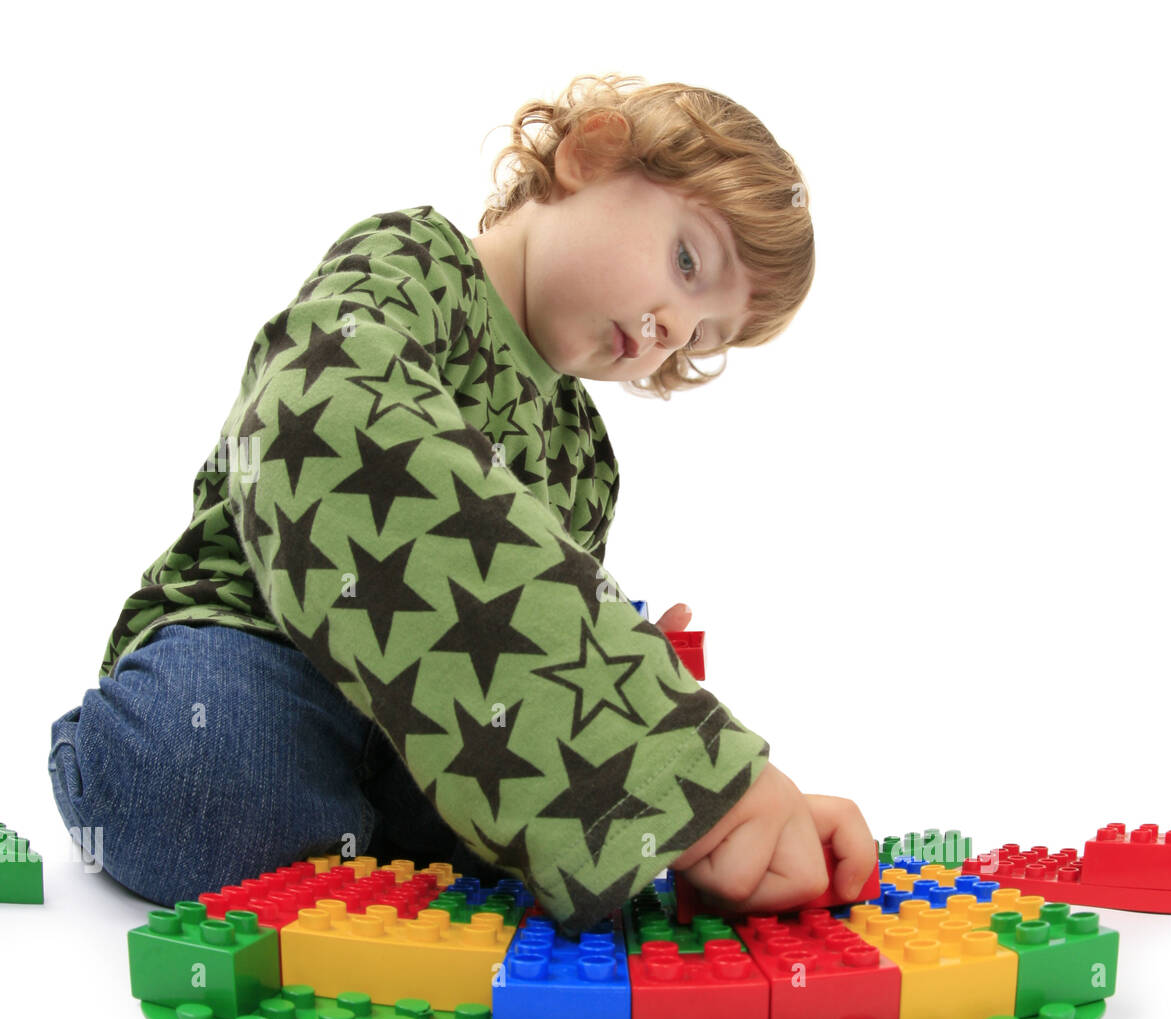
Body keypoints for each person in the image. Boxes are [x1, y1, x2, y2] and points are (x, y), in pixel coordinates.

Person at [47, 73, 876, 934]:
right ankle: (106, 753)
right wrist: (657, 747)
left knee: (527, 859)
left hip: (423, 724)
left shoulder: (588, 457)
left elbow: (515, 650)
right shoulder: (408, 267)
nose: (672, 329)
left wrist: (627, 691)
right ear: (588, 157)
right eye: (687, 261)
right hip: (261, 640)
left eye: (706, 334)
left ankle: (359, 837)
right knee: (211, 779)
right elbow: (327, 425)